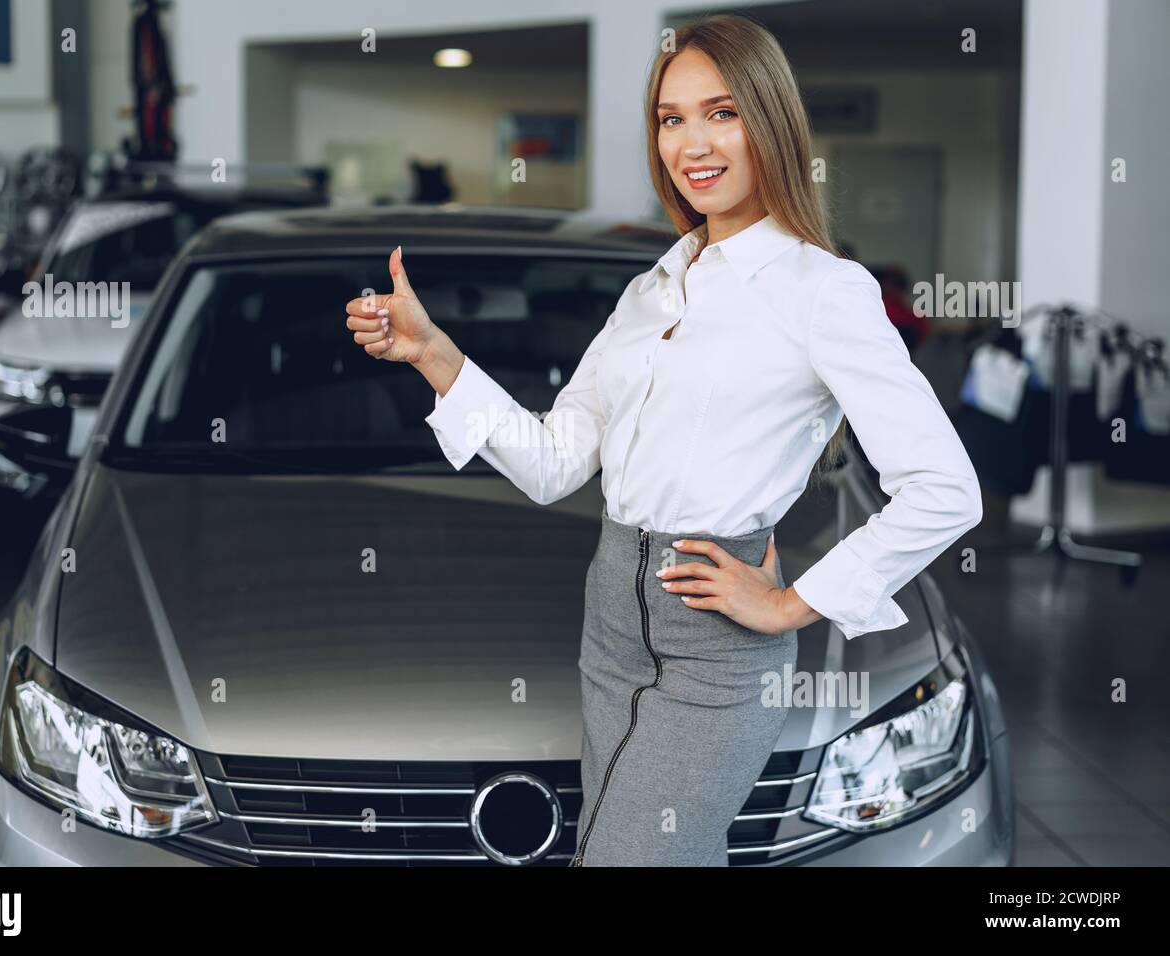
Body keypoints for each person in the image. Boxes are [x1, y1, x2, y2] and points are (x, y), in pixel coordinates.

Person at [342, 13, 982, 867]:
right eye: (671, 118)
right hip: (609, 621)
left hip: (715, 648)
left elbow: (946, 487)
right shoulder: (655, 286)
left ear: (771, 122)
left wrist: (793, 604)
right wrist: (434, 354)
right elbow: (553, 463)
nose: (694, 142)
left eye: (722, 112)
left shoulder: (824, 292)